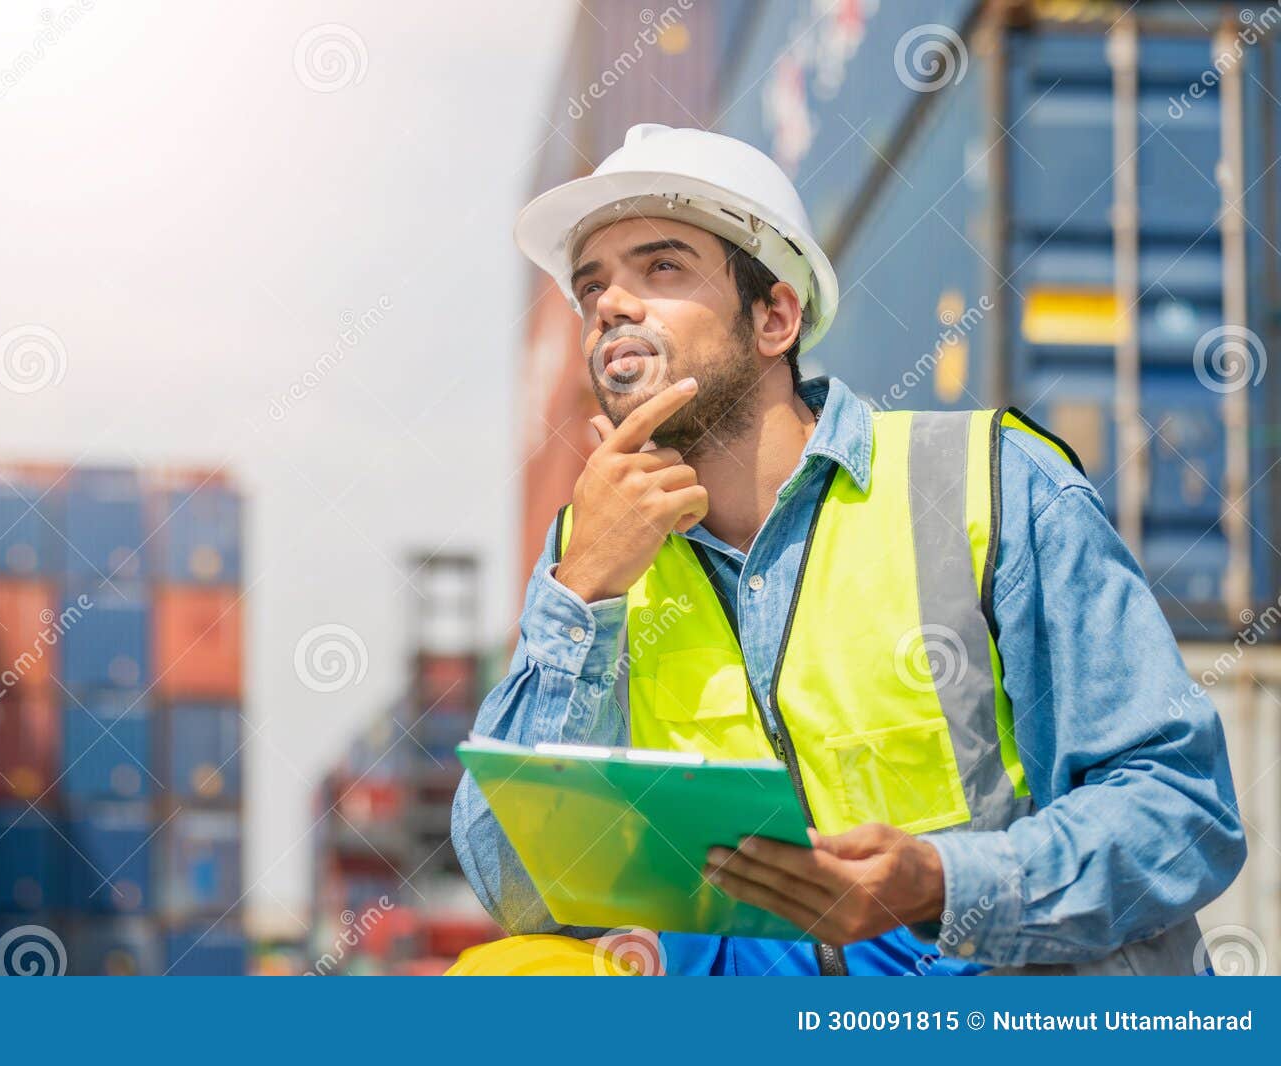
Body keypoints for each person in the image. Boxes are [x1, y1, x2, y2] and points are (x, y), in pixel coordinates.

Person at [448, 124, 1246, 976]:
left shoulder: (988, 484)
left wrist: (944, 884)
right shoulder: (590, 557)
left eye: (662, 266)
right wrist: (585, 593)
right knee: (505, 978)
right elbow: (521, 891)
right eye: (591, 285)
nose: (610, 304)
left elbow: (1181, 811)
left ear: (775, 316)